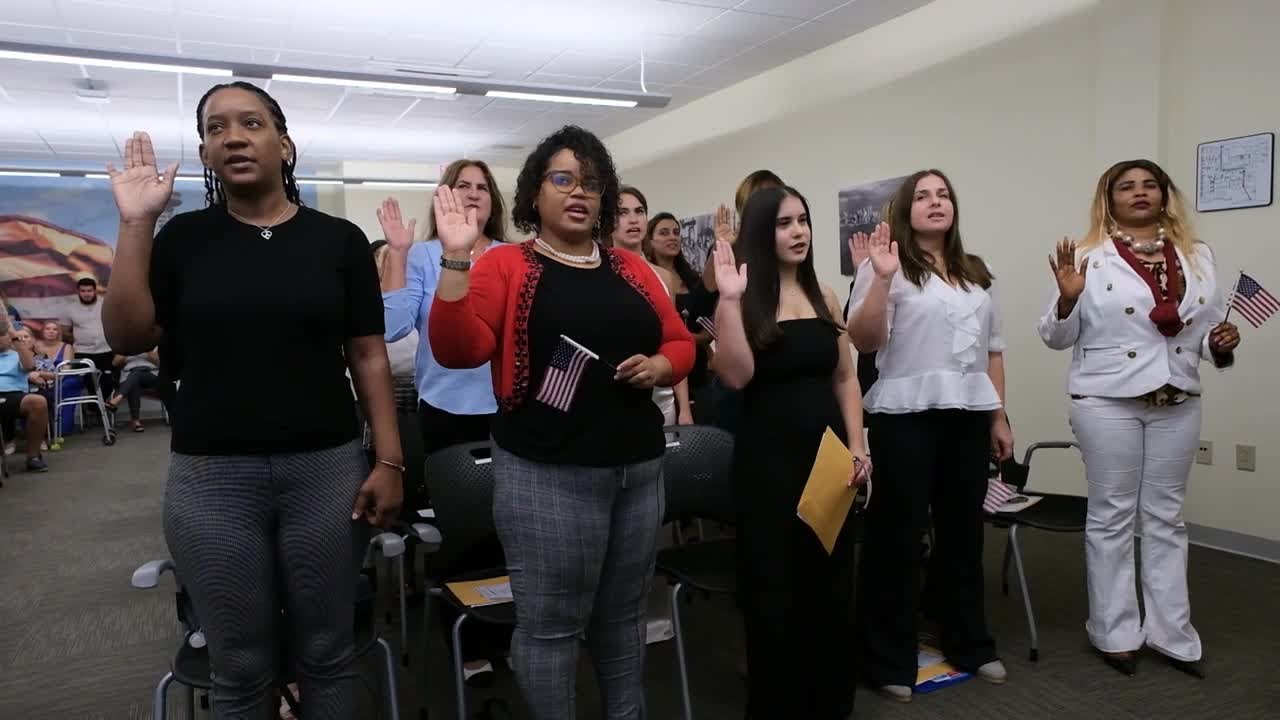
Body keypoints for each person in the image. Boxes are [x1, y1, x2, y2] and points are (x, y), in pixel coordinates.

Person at [100, 80, 402, 718]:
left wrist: (390, 460)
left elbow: (368, 353)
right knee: (239, 666)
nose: (233, 136)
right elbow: (126, 335)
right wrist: (136, 223)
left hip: (325, 468)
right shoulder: (181, 239)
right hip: (212, 476)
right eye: (215, 128)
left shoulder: (338, 240)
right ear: (207, 154)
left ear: (284, 145)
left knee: (327, 653)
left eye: (251, 123)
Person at [428, 125, 695, 720]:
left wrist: (658, 364)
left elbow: (680, 343)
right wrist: (454, 258)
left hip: (638, 472)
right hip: (546, 476)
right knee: (550, 628)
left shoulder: (630, 268)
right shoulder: (504, 265)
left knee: (624, 617)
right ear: (535, 193)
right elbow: (458, 349)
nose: (579, 193)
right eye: (563, 179)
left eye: (592, 184)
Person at [1038, 159, 1238, 679]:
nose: (1140, 193)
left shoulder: (1198, 257)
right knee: (1112, 515)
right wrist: (1066, 299)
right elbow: (1055, 337)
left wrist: (1221, 344)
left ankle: (1172, 632)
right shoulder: (1087, 257)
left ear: (1165, 195)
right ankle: (1115, 630)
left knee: (1167, 517)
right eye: (1126, 187)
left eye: (1150, 184)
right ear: (1109, 201)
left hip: (1177, 397)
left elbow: (1208, 328)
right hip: (1107, 399)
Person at [847, 169, 1012, 702]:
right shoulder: (886, 266)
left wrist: (999, 417)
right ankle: (887, 656)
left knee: (964, 534)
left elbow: (993, 352)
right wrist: (880, 277)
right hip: (904, 416)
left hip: (968, 414)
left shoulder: (976, 272)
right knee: (897, 537)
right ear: (904, 210)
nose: (935, 203)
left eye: (943, 195)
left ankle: (970, 642)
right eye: (922, 196)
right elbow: (865, 341)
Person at [710, 185, 870, 719]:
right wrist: (729, 300)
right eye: (784, 223)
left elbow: (845, 376)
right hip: (768, 464)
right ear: (761, 231)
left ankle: (829, 701)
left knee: (829, 585)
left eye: (803, 220)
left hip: (827, 459)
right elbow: (735, 376)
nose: (798, 231)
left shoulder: (823, 294)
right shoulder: (744, 297)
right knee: (774, 590)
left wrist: (857, 444)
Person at [378, 158, 513, 685]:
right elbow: (390, 329)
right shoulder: (426, 256)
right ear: (444, 196)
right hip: (448, 414)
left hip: (510, 411)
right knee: (464, 534)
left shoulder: (510, 256)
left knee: (512, 529)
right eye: (464, 186)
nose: (474, 194)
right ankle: (468, 639)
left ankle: (509, 631)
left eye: (483, 187)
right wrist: (397, 253)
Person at [612, 187, 693, 425]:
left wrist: (685, 408)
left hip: (660, 389)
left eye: (639, 211)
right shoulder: (602, 272)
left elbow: (675, 341)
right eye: (623, 212)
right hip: (619, 385)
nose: (633, 219)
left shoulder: (663, 277)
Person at [0, 320, 49, 472]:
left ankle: (33, 456)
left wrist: (16, 339)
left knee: (38, 402)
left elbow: (29, 366)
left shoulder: (17, 354)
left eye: (2, 335)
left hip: (13, 395)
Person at [61, 277, 115, 401]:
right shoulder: (69, 309)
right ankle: (95, 410)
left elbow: (116, 325)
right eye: (83, 291)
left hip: (106, 351)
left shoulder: (106, 304)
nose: (86, 294)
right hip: (83, 352)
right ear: (78, 292)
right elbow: (65, 332)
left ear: (95, 291)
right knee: (90, 383)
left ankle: (98, 410)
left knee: (108, 383)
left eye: (89, 291)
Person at [107, 348, 161, 432]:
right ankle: (136, 422)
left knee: (136, 374)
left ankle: (117, 399)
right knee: (134, 380)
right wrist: (129, 349)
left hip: (151, 375)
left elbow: (160, 362)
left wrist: (147, 349)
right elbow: (114, 363)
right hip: (128, 376)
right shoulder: (125, 344)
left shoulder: (153, 342)